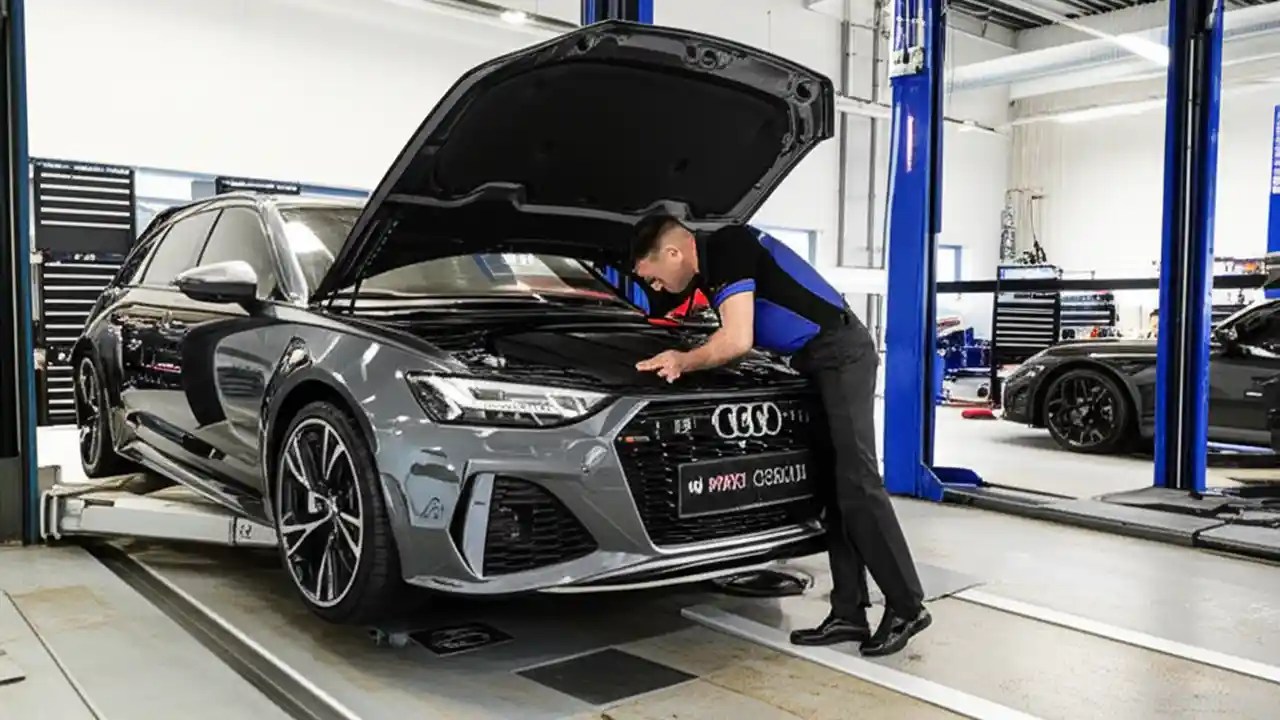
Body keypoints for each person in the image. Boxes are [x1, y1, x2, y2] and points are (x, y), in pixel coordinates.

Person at [628, 213, 931, 657]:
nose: (656, 288)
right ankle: (848, 612)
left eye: (652, 278)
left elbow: (737, 340)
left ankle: (907, 606)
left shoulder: (725, 246)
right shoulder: (710, 269)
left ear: (673, 253)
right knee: (833, 489)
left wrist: (683, 360)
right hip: (812, 362)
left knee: (857, 483)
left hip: (842, 354)